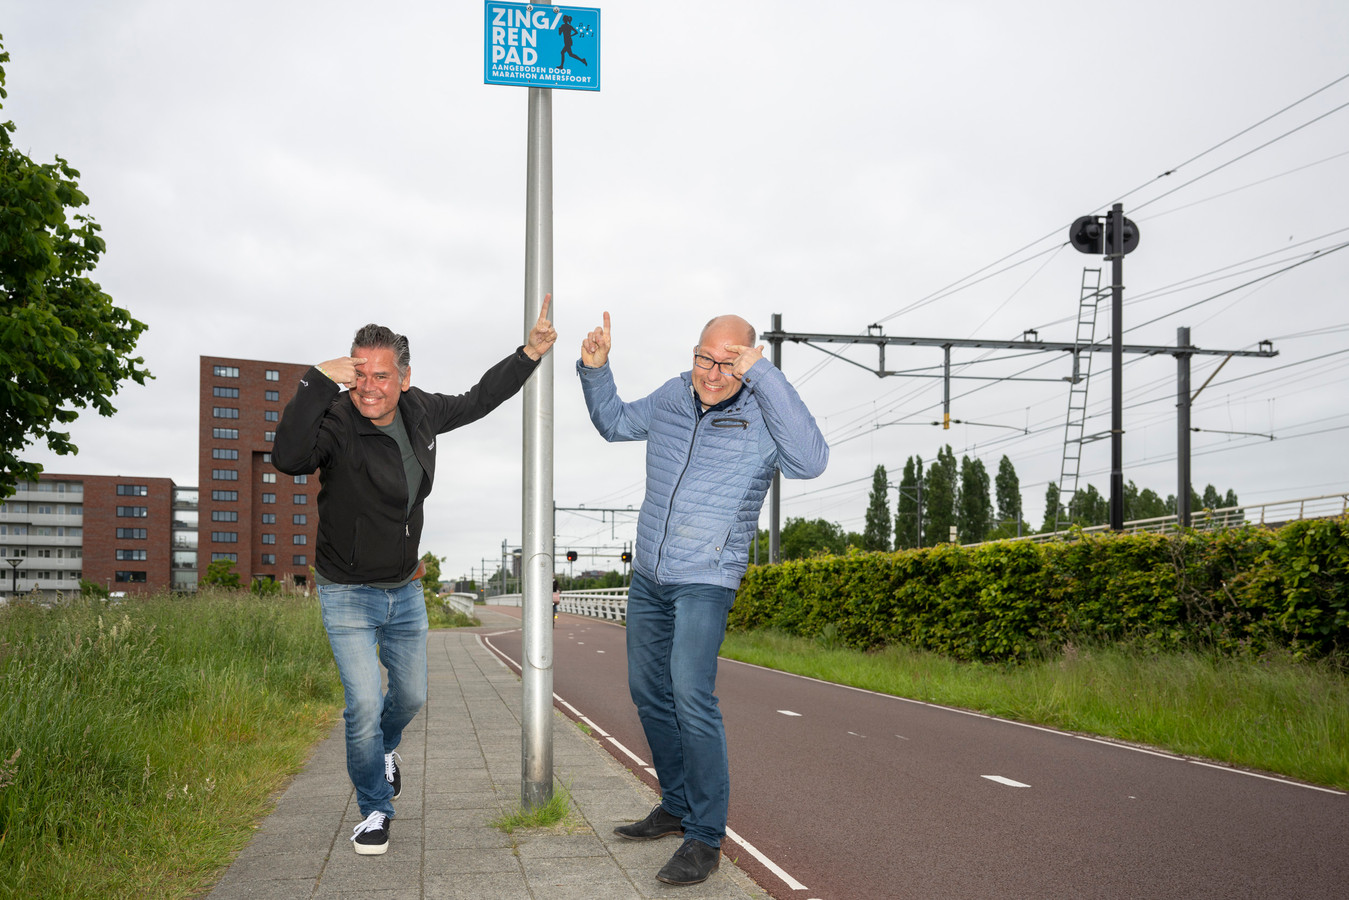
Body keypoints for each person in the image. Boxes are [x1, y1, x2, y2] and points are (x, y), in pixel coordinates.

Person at [273, 299, 557, 855]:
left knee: (412, 695)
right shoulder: (334, 420)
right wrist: (314, 380)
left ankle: (385, 747)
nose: (368, 386)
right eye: (358, 373)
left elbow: (479, 399)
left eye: (380, 374)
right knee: (362, 704)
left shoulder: (421, 411)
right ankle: (375, 809)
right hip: (347, 593)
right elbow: (288, 457)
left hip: (404, 589)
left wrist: (528, 354)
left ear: (405, 378)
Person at [577, 312, 828, 885]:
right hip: (650, 575)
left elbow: (811, 462)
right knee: (648, 692)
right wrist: (595, 371)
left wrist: (763, 376)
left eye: (730, 361)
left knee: (691, 694)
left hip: (707, 577)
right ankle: (676, 803)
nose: (712, 374)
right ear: (692, 353)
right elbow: (614, 423)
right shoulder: (671, 395)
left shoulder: (764, 415)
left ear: (750, 359)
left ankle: (705, 837)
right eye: (704, 358)